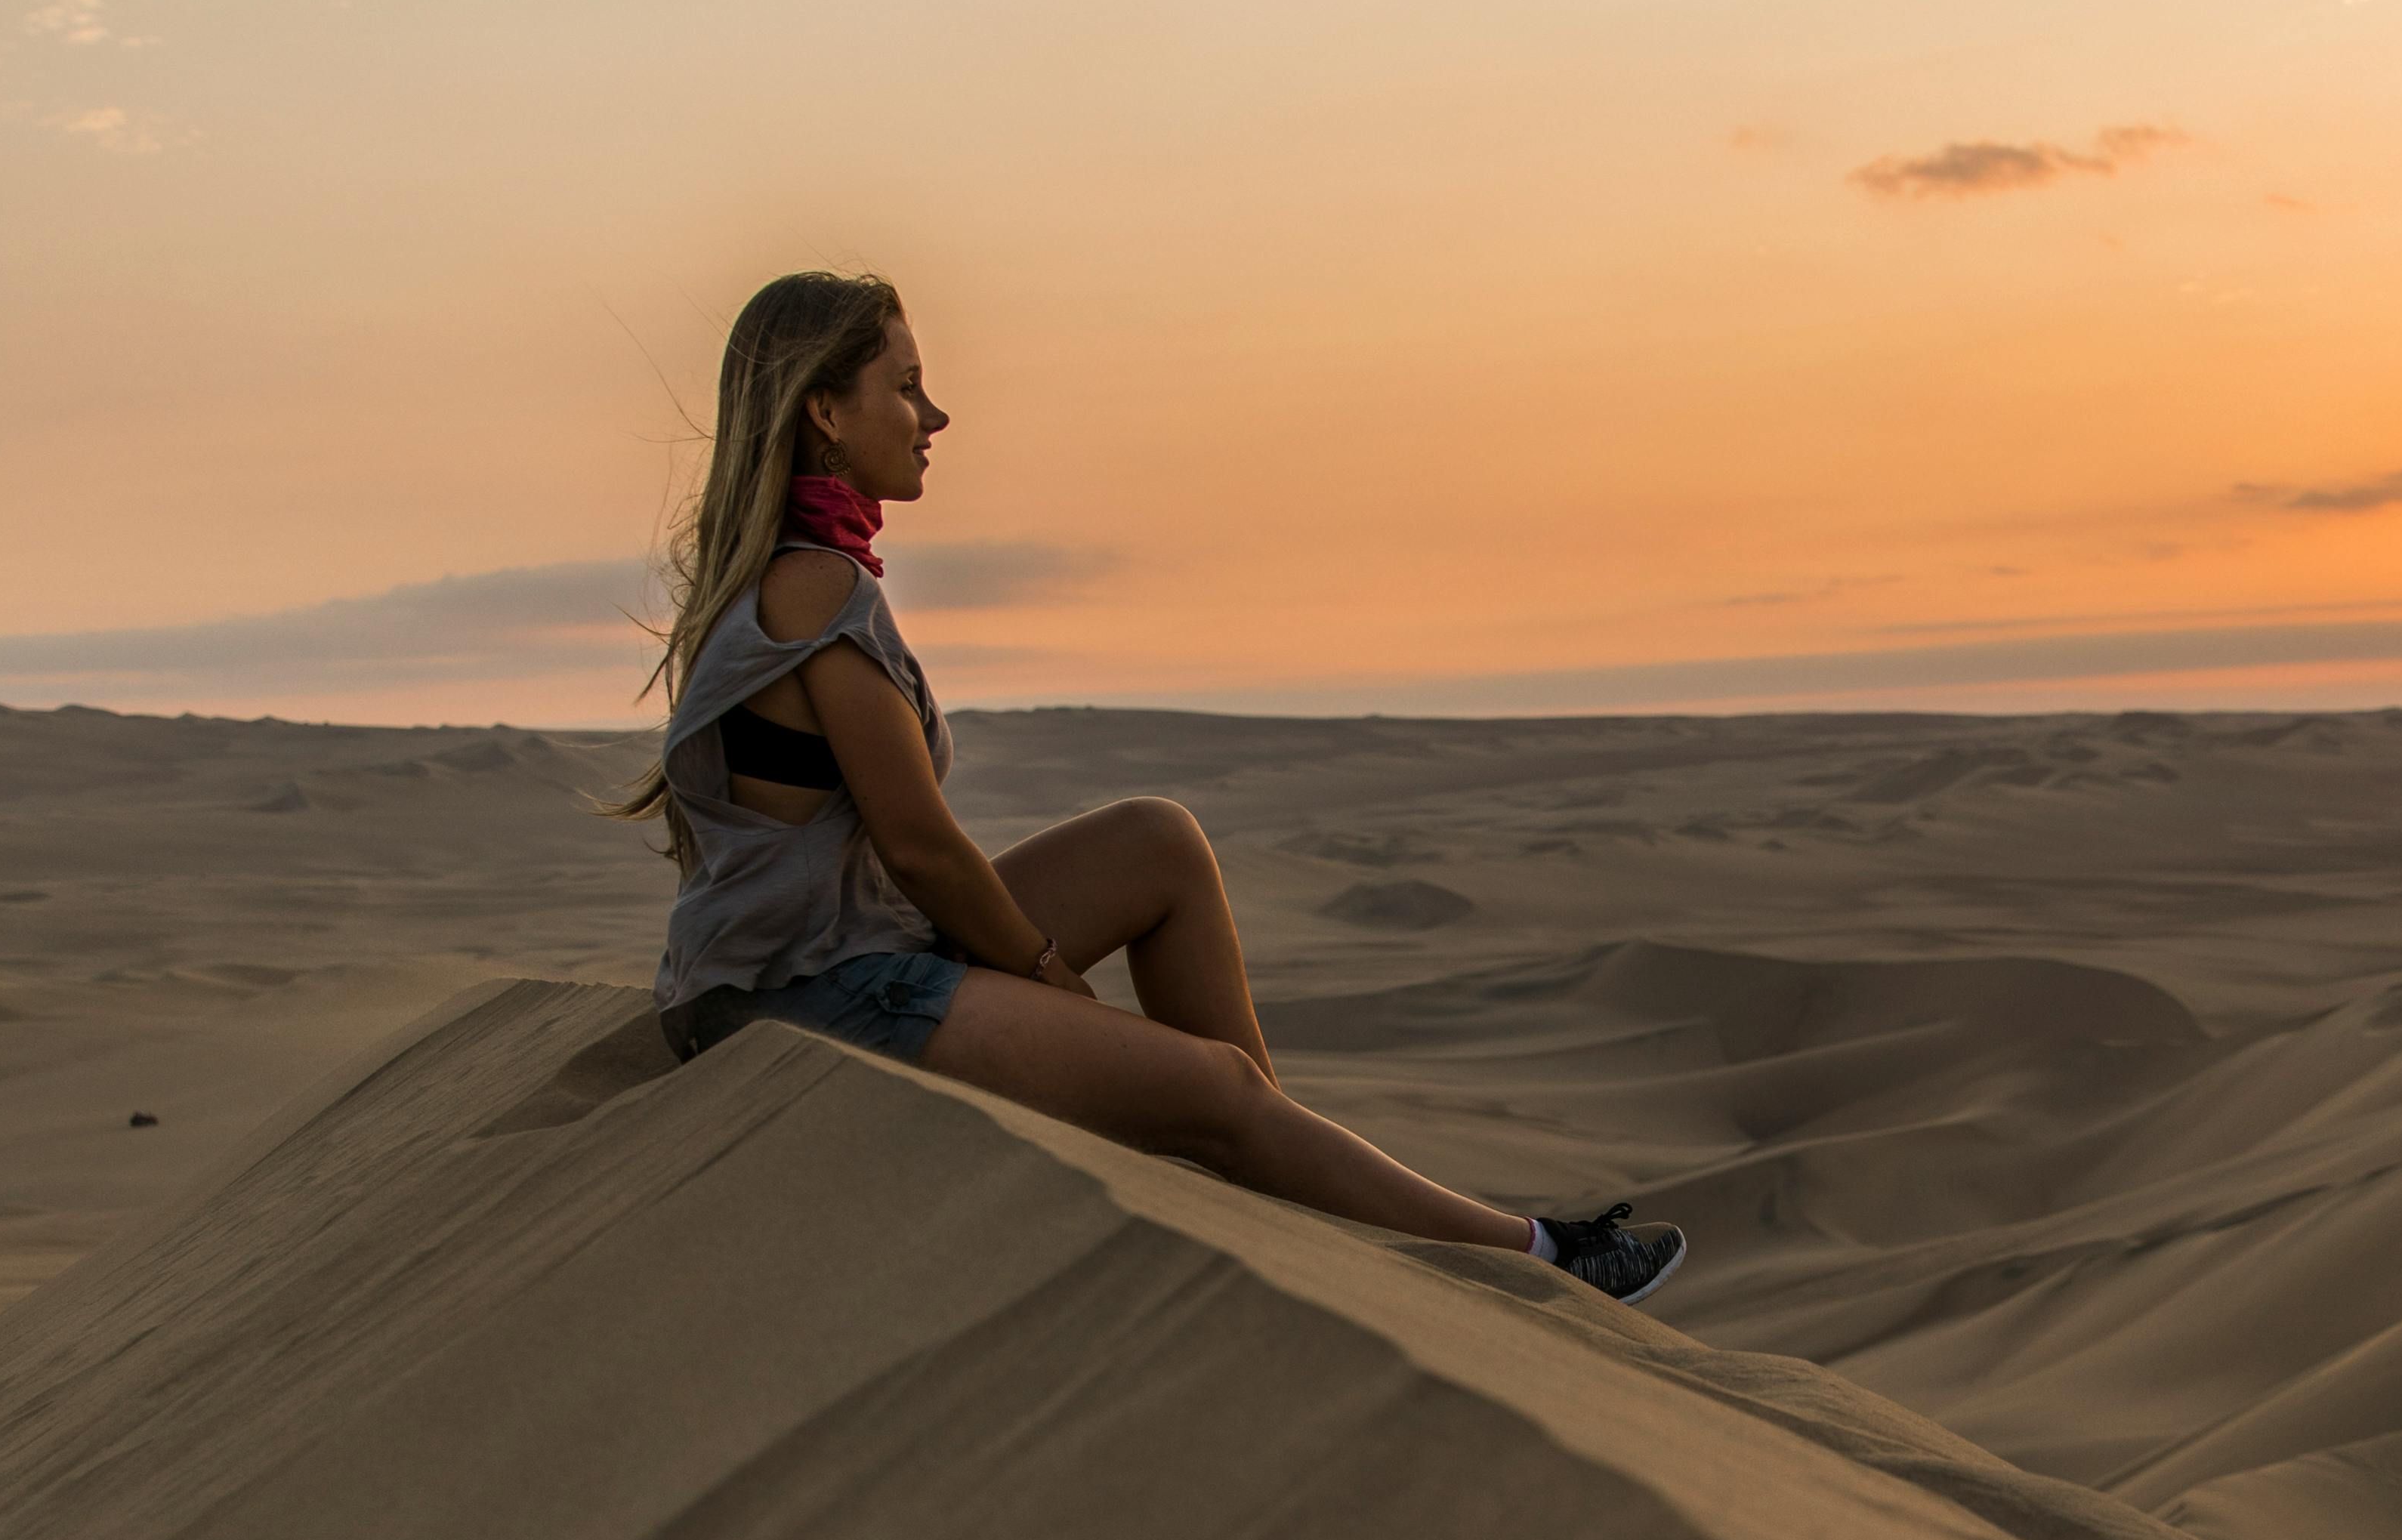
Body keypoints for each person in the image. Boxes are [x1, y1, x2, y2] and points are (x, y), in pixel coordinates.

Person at [607, 270, 1687, 1303]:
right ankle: (1537, 1256)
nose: (934, 414)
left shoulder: (790, 577)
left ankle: (1279, 1157)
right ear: (825, 415)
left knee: (1156, 842)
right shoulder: (817, 588)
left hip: (835, 957)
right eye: (905, 386)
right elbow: (921, 847)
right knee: (1212, 1091)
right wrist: (1041, 973)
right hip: (812, 1001)